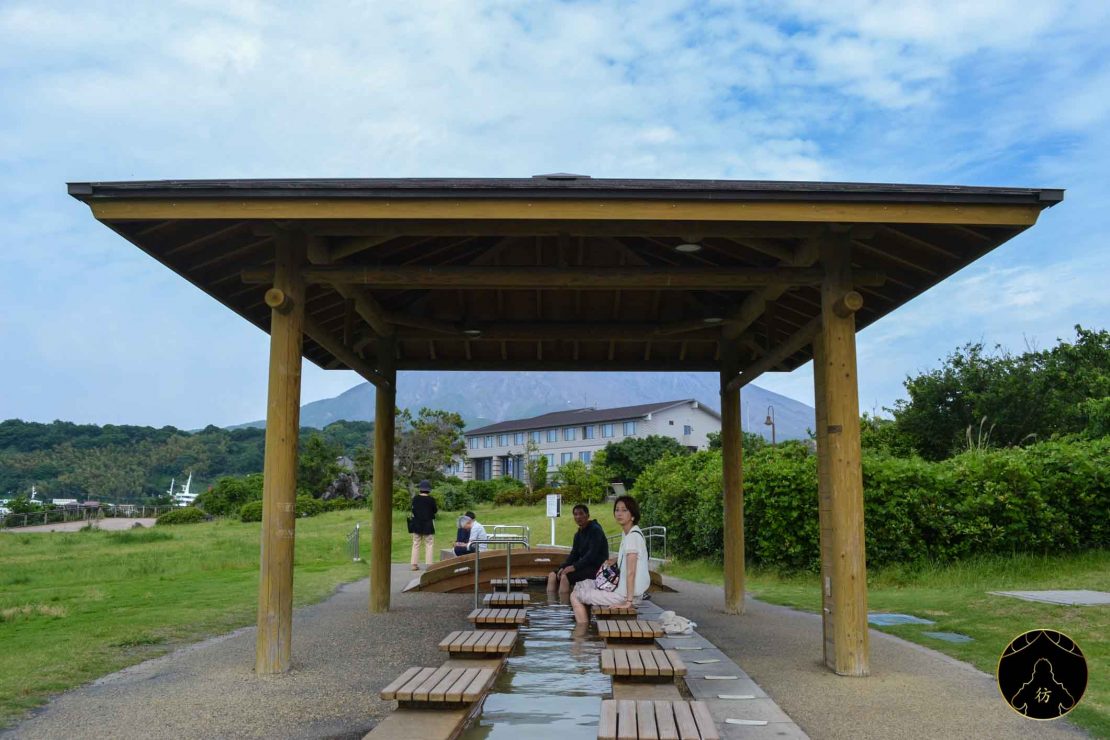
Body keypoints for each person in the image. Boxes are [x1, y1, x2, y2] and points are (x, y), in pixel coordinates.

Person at [570, 495, 649, 624]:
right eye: (617, 510)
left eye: (624, 510)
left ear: (633, 515)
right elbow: (632, 557)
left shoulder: (632, 538)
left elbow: (631, 572)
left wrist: (628, 603)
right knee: (581, 584)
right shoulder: (630, 533)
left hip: (626, 596)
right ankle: (589, 625)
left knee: (575, 595)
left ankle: (582, 633)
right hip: (622, 591)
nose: (619, 513)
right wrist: (616, 560)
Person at [547, 504, 608, 594]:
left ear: (587, 515)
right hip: (584, 566)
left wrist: (574, 567)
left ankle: (564, 605)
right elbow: (574, 554)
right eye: (575, 514)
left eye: (581, 514)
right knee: (552, 575)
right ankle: (551, 605)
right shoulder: (578, 534)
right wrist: (563, 567)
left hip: (597, 568)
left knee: (565, 576)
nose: (578, 517)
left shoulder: (595, 530)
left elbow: (591, 555)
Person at [409, 480, 438, 570]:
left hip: (417, 524)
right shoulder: (431, 500)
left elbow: (413, 510)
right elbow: (435, 510)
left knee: (416, 543)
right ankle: (429, 564)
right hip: (428, 524)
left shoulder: (415, 499)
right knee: (429, 544)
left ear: (420, 489)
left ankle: (414, 564)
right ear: (429, 490)